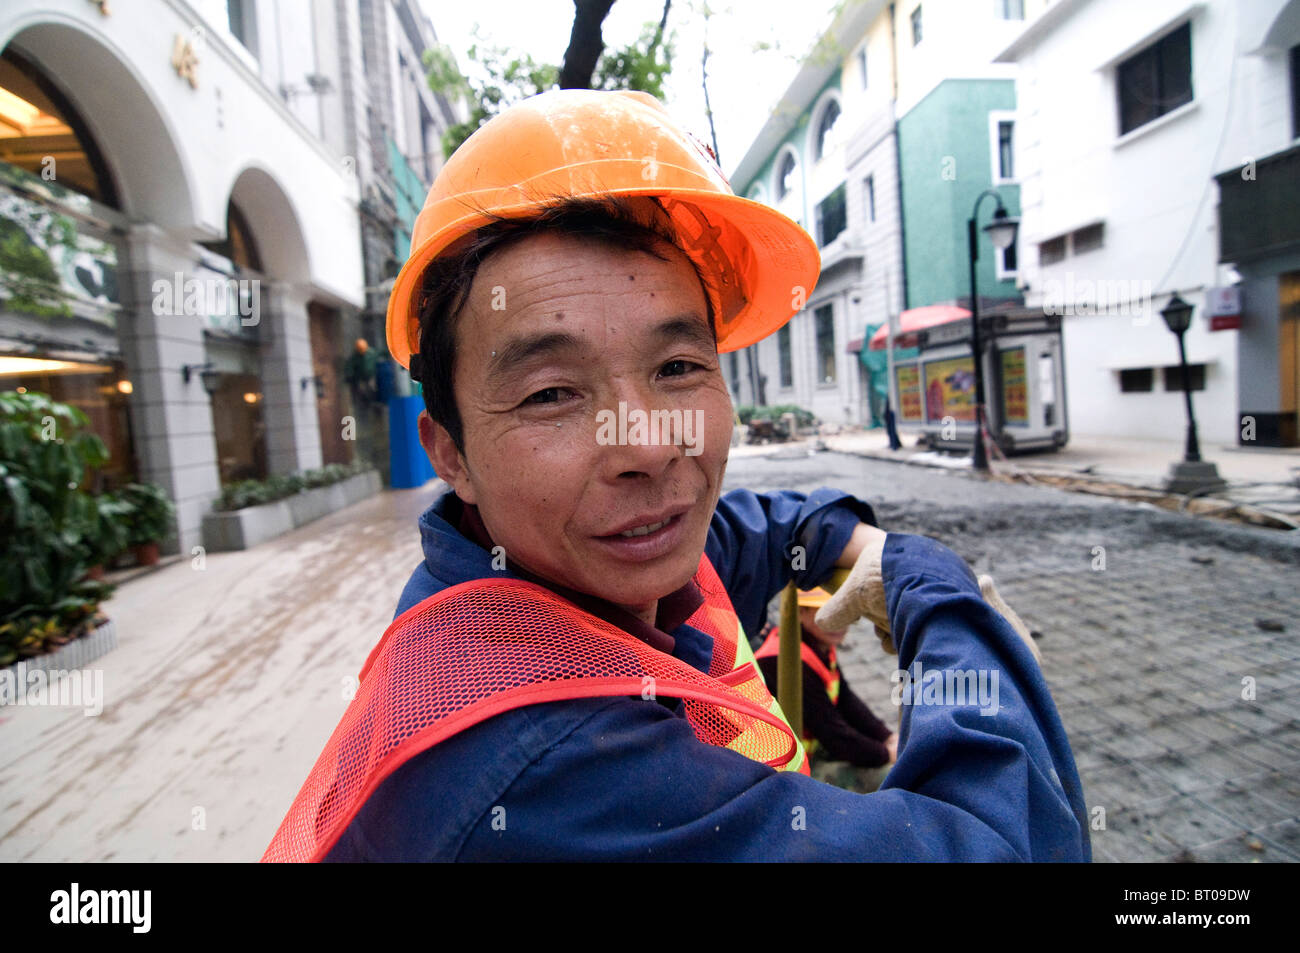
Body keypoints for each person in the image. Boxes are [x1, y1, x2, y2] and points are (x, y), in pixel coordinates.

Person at [262, 89, 1088, 862]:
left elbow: (751, 531)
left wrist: (848, 538)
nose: (650, 444)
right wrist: (936, 590)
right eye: (552, 392)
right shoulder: (549, 763)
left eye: (679, 365)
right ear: (451, 454)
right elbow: (1000, 843)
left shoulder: (565, 565)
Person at [754, 588, 897, 794]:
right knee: (887, 777)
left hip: (814, 749)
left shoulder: (816, 641)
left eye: (844, 613)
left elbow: (846, 700)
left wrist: (887, 736)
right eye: (828, 613)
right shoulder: (788, 661)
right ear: (801, 612)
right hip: (790, 770)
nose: (839, 623)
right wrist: (885, 754)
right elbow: (834, 734)